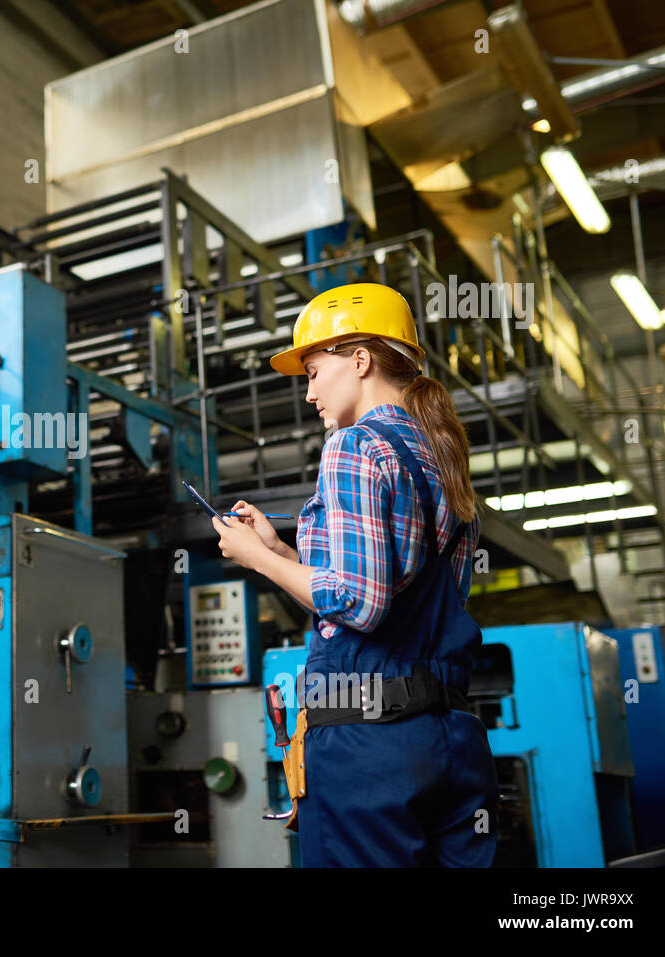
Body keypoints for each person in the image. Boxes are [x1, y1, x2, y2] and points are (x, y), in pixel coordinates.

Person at [211, 282, 499, 867]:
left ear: (360, 359)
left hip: (371, 750)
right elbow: (383, 592)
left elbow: (359, 604)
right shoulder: (438, 453)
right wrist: (282, 554)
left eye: (314, 371)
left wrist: (255, 558)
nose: (310, 392)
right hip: (451, 738)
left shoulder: (354, 445)